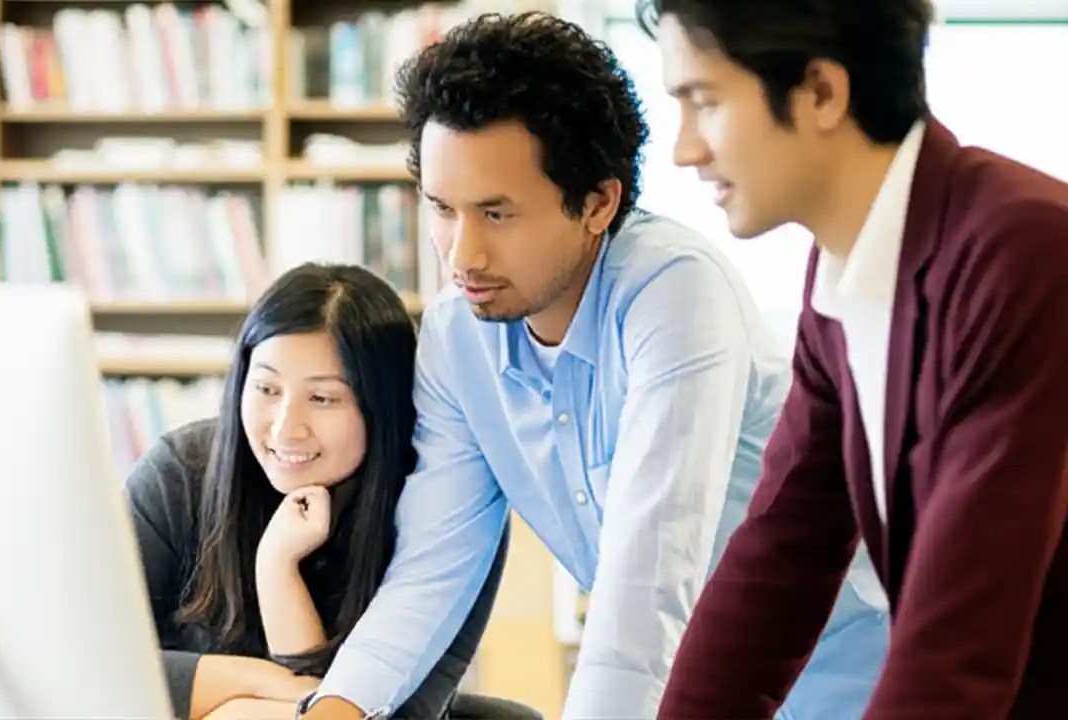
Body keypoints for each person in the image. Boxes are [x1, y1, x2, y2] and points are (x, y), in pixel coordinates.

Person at [301, 13, 887, 720]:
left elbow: (648, 578)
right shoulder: (458, 339)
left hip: (857, 689)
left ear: (598, 203)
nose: (461, 257)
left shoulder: (674, 292)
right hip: (704, 689)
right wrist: (333, 708)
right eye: (442, 210)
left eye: (496, 213)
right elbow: (431, 565)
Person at [640, 1, 1068, 718]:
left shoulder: (1023, 253)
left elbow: (958, 646)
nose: (685, 149)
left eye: (704, 102)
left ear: (820, 93)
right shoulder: (842, 273)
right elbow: (779, 559)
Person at [124, 263, 507, 720]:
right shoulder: (181, 473)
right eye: (266, 387)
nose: (286, 429)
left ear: (382, 405)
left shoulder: (448, 507)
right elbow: (87, 664)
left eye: (323, 398)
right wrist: (264, 684)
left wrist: (277, 568)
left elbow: (385, 711)